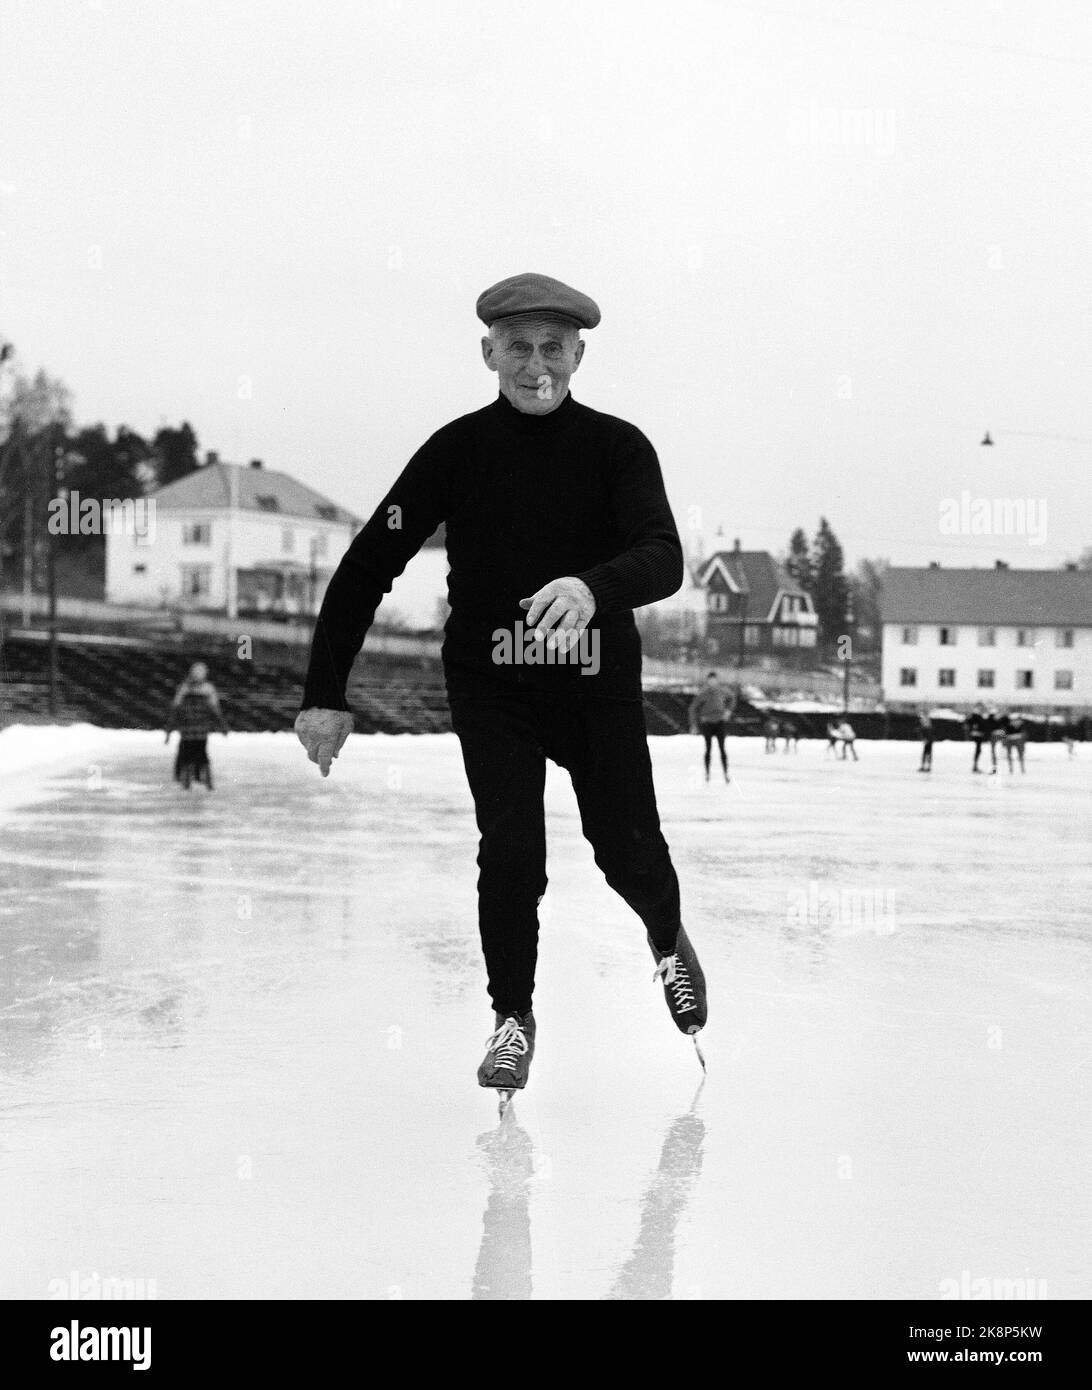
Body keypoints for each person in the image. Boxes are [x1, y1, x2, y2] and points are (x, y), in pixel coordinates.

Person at [294, 272, 708, 1099]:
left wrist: (593, 586)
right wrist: (323, 692)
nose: (536, 364)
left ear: (578, 355)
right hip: (495, 688)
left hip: (595, 686)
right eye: (518, 347)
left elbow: (664, 555)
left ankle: (668, 941)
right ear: (489, 352)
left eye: (553, 348)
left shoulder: (618, 448)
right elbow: (369, 561)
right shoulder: (456, 451)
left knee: (625, 846)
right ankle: (510, 1021)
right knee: (513, 849)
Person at [165, 662, 228, 789]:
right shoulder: (207, 692)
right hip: (201, 733)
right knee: (202, 757)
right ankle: (207, 784)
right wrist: (223, 727)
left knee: (186, 759)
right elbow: (215, 711)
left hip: (187, 733)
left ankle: (186, 784)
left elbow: (175, 711)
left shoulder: (184, 691)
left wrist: (169, 732)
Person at [688, 671, 731, 782]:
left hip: (719, 722)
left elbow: (732, 698)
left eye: (714, 680)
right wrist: (694, 724)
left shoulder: (722, 691)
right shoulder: (703, 693)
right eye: (710, 680)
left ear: (717, 680)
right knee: (708, 748)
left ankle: (726, 773)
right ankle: (707, 774)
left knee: (722, 748)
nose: (712, 682)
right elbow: (693, 708)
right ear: (708, 681)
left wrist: (728, 711)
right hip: (707, 723)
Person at [966, 702, 989, 773]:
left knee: (978, 750)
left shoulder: (976, 716)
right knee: (978, 750)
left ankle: (975, 765)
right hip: (977, 734)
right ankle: (975, 766)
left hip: (978, 734)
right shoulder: (976, 716)